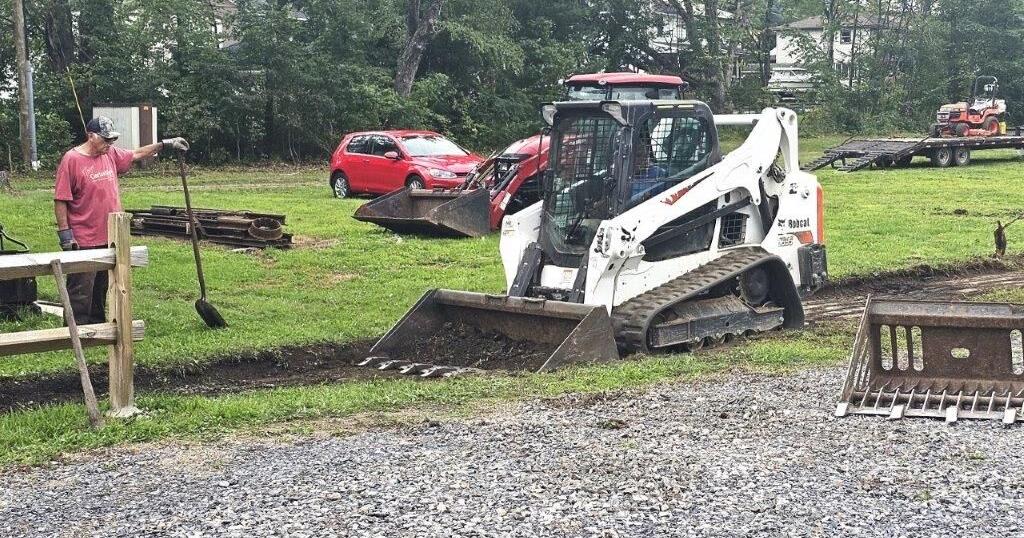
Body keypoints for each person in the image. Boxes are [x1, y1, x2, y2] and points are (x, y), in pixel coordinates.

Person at [54, 116, 189, 324]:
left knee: (101, 286)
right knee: (81, 288)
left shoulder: (110, 154)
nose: (110, 144)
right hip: (84, 238)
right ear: (91, 136)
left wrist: (166, 144)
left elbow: (136, 153)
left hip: (110, 235)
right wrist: (65, 234)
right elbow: (61, 199)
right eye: (106, 140)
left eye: (112, 140)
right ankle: (75, 333)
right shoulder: (71, 160)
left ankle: (98, 329)